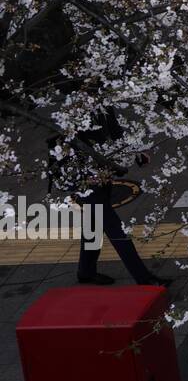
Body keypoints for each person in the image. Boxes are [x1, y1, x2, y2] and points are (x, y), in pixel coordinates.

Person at [48, 108, 167, 287]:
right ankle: (144, 279)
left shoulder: (102, 102)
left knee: (93, 226)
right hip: (85, 184)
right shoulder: (72, 113)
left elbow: (114, 130)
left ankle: (86, 271)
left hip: (102, 175)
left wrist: (135, 153)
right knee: (116, 229)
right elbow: (67, 156)